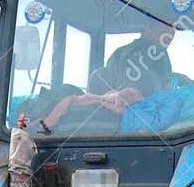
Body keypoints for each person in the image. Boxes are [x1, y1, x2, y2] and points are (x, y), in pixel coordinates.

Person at [39, 24, 176, 132]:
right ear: (148, 29)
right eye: (165, 37)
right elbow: (167, 91)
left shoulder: (119, 52)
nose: (167, 42)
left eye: (170, 39)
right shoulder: (159, 53)